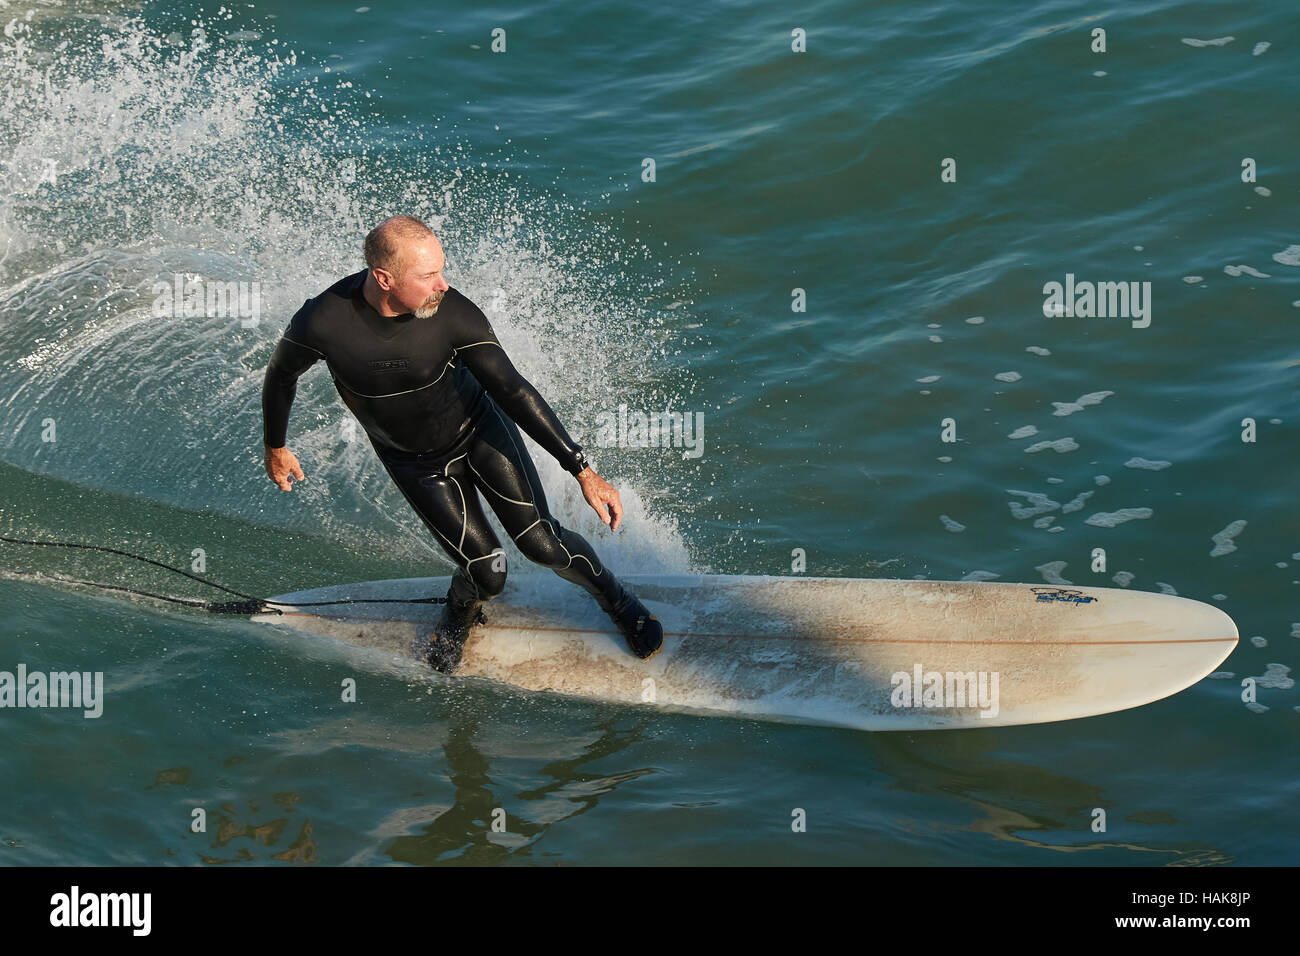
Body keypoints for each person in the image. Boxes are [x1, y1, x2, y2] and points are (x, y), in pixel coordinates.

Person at [260, 215, 663, 672]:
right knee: (487, 574)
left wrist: (582, 470)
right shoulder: (323, 321)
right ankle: (461, 608)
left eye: (442, 270)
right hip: (415, 464)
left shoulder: (452, 313)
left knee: (542, 544)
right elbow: (281, 376)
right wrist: (276, 445)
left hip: (480, 434)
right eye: (428, 275)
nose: (443, 284)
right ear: (384, 278)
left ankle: (617, 600)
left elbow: (513, 390)